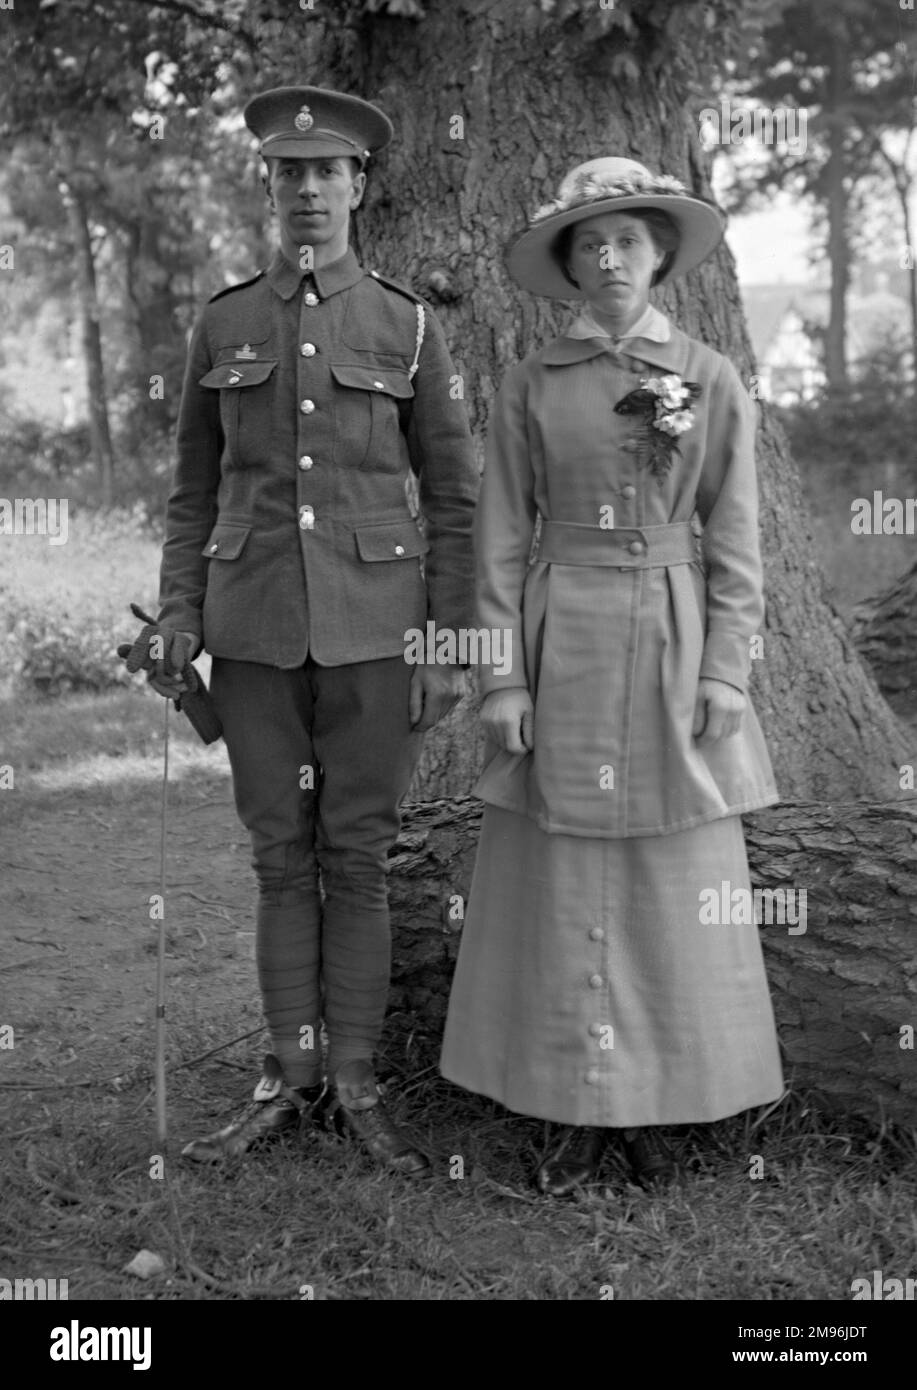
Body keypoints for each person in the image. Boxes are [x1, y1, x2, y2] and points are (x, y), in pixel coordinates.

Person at [140, 86, 477, 1173]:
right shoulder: (222, 321)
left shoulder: (406, 322)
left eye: (326, 173)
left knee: (359, 859)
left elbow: (455, 497)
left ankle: (360, 1084)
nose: (307, 191)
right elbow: (193, 492)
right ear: (269, 188)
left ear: (358, 187)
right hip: (250, 636)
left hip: (380, 635)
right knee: (280, 862)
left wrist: (449, 642)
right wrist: (180, 615)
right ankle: (287, 1078)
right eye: (288, 174)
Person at [440, 157, 784, 1196]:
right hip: (564, 641)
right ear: (567, 266)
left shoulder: (710, 376)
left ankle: (662, 1105)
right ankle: (570, 1105)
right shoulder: (528, 382)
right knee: (558, 877)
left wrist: (727, 668)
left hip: (675, 643)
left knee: (672, 880)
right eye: (586, 244)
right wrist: (499, 680)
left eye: (625, 239)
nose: (606, 258)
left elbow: (736, 542)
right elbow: (497, 540)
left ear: (659, 253)